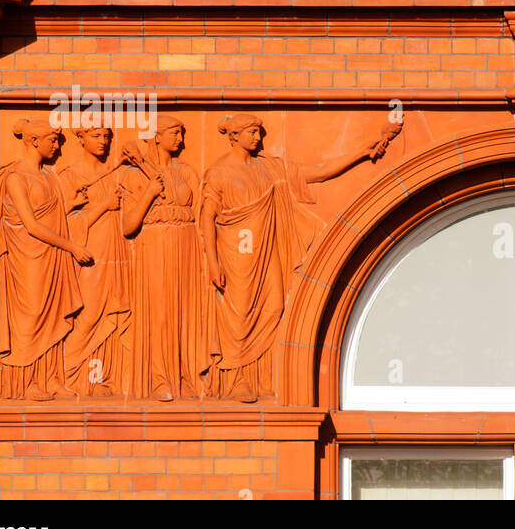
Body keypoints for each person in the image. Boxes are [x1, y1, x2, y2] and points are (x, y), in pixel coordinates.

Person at [200, 114, 392, 402]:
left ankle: (261, 376)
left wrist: (362, 153)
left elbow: (320, 171)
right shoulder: (219, 173)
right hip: (236, 256)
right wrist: (213, 261)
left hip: (268, 255)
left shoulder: (270, 167)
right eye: (252, 132)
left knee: (275, 306)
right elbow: (206, 218)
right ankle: (236, 379)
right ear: (235, 136)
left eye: (259, 132)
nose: (258, 137)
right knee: (238, 316)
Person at [120, 116, 217, 402]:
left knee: (187, 310)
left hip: (186, 243)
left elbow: (201, 216)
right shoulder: (135, 175)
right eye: (174, 133)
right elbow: (127, 226)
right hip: (155, 244)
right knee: (160, 312)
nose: (180, 139)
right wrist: (149, 194)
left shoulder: (186, 172)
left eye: (181, 133)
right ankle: (160, 378)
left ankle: (186, 375)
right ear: (156, 136)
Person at [0, 119, 91, 401]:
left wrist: (72, 204)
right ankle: (27, 383)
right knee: (31, 317)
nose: (58, 146)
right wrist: (72, 246)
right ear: (34, 141)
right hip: (26, 259)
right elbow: (32, 225)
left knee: (51, 316)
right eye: (53, 140)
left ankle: (51, 379)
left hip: (51, 257)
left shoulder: (49, 176)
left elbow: (51, 214)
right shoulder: (15, 178)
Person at [57, 124, 132, 397]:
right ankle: (68, 374)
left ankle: (100, 380)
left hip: (117, 253)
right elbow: (61, 224)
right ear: (80, 138)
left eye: (107, 137)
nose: (103, 142)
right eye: (96, 136)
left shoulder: (114, 174)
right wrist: (103, 206)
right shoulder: (69, 176)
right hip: (88, 256)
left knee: (112, 313)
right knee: (88, 315)